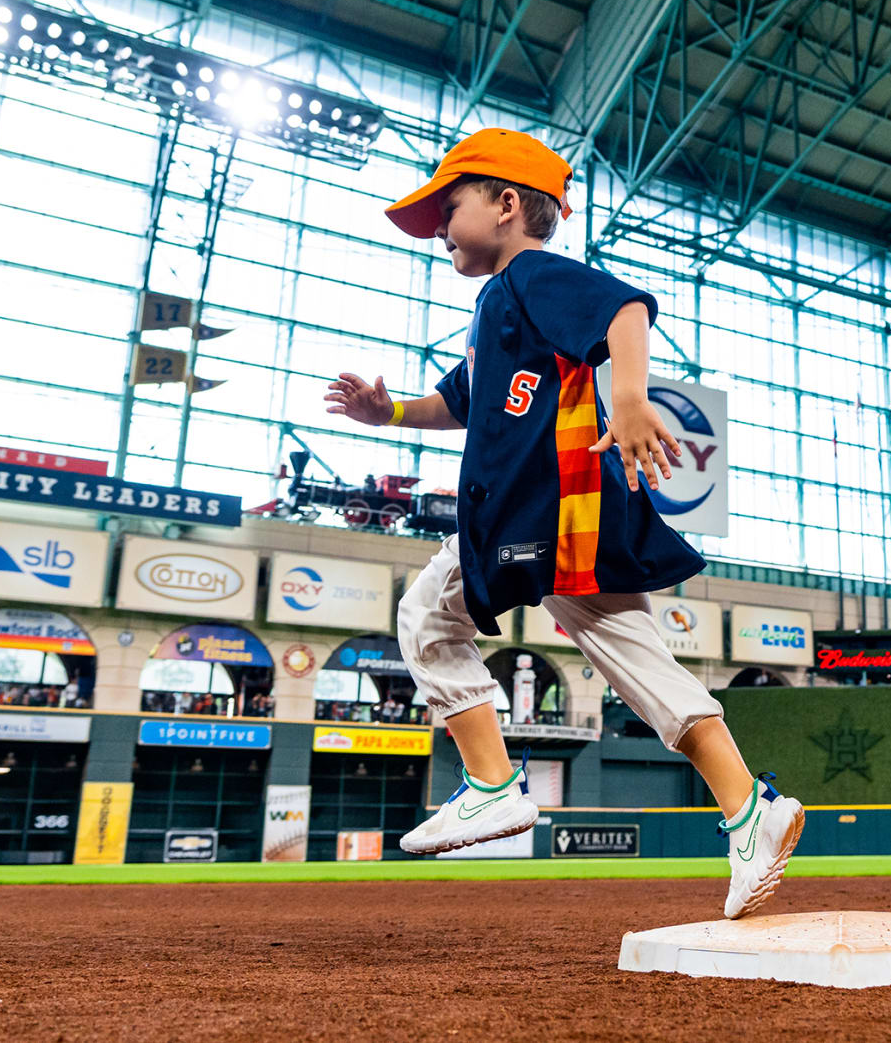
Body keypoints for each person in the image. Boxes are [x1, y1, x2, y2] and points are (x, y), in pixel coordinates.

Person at [325, 127, 804, 919]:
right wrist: (391, 411)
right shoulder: (499, 310)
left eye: (452, 206)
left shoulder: (526, 279)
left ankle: (489, 785)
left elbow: (623, 311)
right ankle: (751, 810)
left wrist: (628, 398)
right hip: (568, 520)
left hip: (531, 509)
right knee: (645, 670)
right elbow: (459, 402)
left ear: (507, 205)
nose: (440, 228)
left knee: (426, 616)